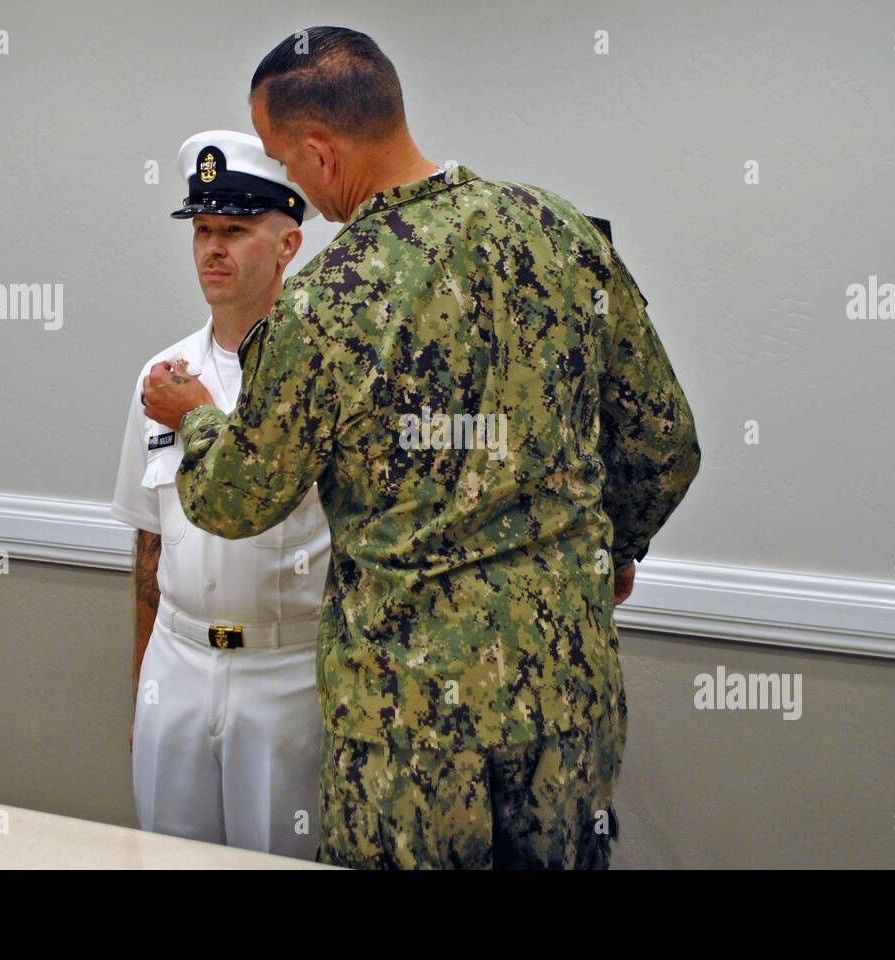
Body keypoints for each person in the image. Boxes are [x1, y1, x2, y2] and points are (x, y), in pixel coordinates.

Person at [143, 28, 701, 869]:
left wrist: (194, 418)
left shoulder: (331, 299)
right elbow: (666, 441)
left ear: (322, 154)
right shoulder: (562, 234)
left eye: (289, 164)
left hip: (409, 721)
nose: (292, 180)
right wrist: (615, 548)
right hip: (567, 694)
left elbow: (237, 497)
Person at [112, 130, 330, 859]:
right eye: (203, 230)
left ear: (288, 243)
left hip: (286, 672)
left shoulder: (322, 376)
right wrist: (143, 682)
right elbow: (150, 539)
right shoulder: (160, 372)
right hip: (178, 663)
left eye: (235, 230)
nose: (213, 248)